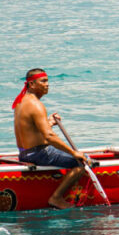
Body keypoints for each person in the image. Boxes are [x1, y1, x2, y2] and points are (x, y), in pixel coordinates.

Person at [12, 68, 93, 209]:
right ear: (31, 84)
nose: (47, 84)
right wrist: (74, 153)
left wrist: (49, 122)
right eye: (43, 81)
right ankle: (56, 198)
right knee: (82, 161)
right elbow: (49, 136)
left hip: (24, 153)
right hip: (39, 153)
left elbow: (32, 129)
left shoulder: (21, 102)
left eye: (48, 81)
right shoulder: (36, 105)